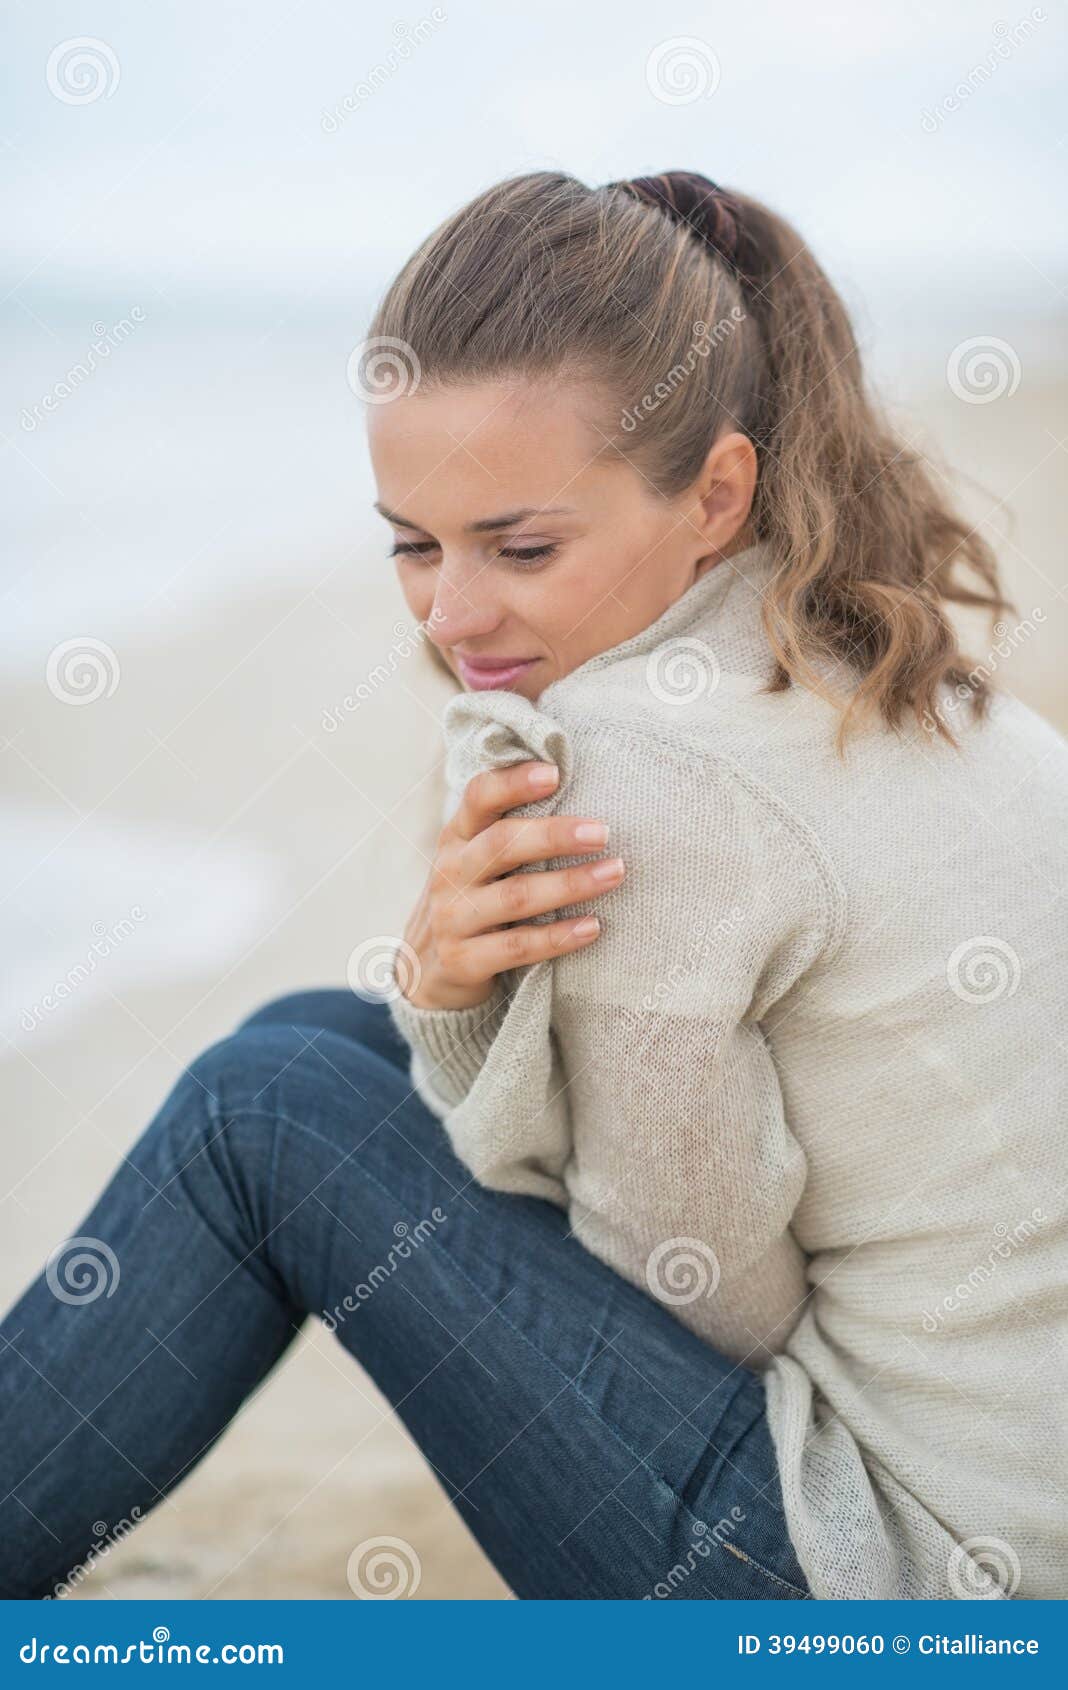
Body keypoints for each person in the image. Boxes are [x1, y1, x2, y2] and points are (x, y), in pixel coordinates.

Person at [2, 171, 1064, 1603]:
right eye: (411, 541)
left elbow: (701, 1300)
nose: (450, 613)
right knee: (314, 1039)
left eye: (521, 547)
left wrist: (460, 1022)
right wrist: (445, 1010)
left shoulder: (649, 770)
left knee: (266, 1113)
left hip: (883, 1591)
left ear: (717, 493)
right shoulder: (870, 659)